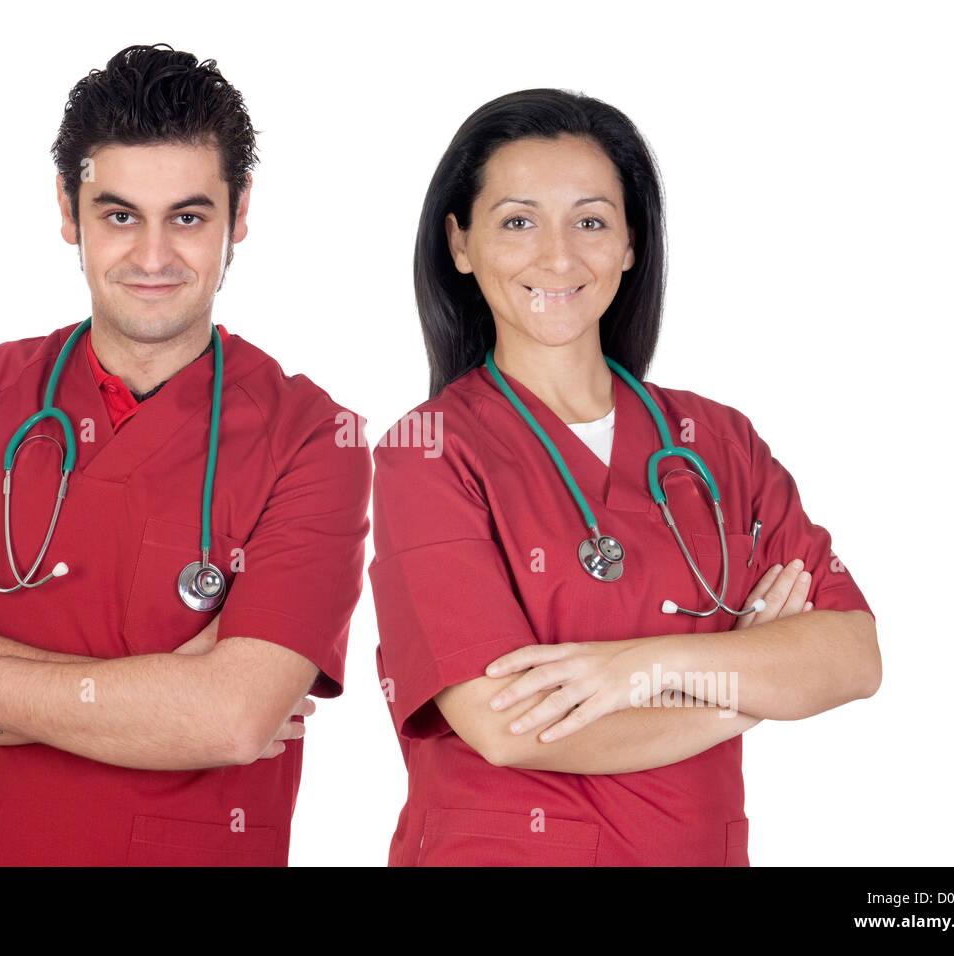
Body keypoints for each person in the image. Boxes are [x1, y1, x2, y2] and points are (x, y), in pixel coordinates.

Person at [0, 44, 371, 866]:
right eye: (119, 215)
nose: (153, 257)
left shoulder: (314, 438)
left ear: (241, 212)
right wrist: (172, 689)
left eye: (187, 218)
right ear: (67, 207)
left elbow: (234, 720)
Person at [368, 89, 881, 866]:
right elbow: (507, 725)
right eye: (517, 221)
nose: (558, 257)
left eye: (591, 220)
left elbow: (851, 655)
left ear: (631, 243)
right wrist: (747, 687)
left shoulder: (717, 441)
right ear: (460, 243)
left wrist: (636, 669)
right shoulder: (430, 450)